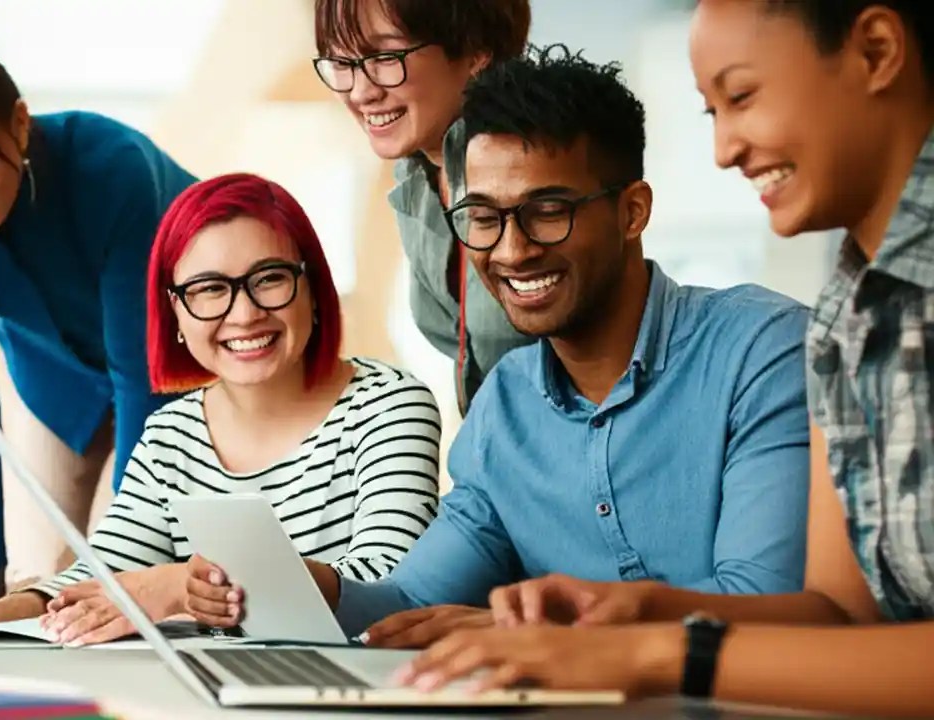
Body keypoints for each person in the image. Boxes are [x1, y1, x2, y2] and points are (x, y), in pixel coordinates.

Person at [395, 3, 934, 717]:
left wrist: (642, 647)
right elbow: (841, 617)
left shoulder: (769, 344)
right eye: (712, 111)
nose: (723, 150)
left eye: (741, 96)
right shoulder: (844, 318)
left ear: (874, 49)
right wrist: (623, 611)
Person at [211, 44, 809, 651]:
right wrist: (306, 586)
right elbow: (414, 605)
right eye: (482, 217)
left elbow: (762, 599)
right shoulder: (506, 402)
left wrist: (531, 630)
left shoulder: (759, 352)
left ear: (632, 212)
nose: (511, 250)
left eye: (547, 211)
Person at [0, 173, 443, 645]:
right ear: (176, 314)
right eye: (209, 289)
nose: (245, 313)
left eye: (270, 279)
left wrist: (178, 586)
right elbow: (107, 574)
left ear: (313, 287)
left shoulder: (389, 405)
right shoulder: (173, 433)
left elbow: (387, 588)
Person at [0, 29, 197, 598]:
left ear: (18, 123)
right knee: (38, 581)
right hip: (57, 382)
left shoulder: (111, 168)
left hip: (179, 373)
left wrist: (118, 567)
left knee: (127, 570)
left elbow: (141, 378)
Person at [312, 0, 533, 411]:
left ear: (475, 52)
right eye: (341, 62)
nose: (361, 91)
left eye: (384, 56)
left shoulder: (532, 170)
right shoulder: (415, 175)